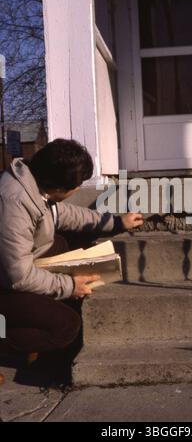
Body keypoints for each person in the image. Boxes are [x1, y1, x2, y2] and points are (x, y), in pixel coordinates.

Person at [0, 139, 143, 385]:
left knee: (68, 243)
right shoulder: (14, 202)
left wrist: (117, 223)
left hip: (20, 261)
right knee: (67, 327)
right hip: (7, 281)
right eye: (76, 186)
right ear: (58, 188)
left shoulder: (37, 185)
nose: (78, 189)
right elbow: (19, 276)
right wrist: (68, 285)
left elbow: (66, 215)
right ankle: (7, 339)